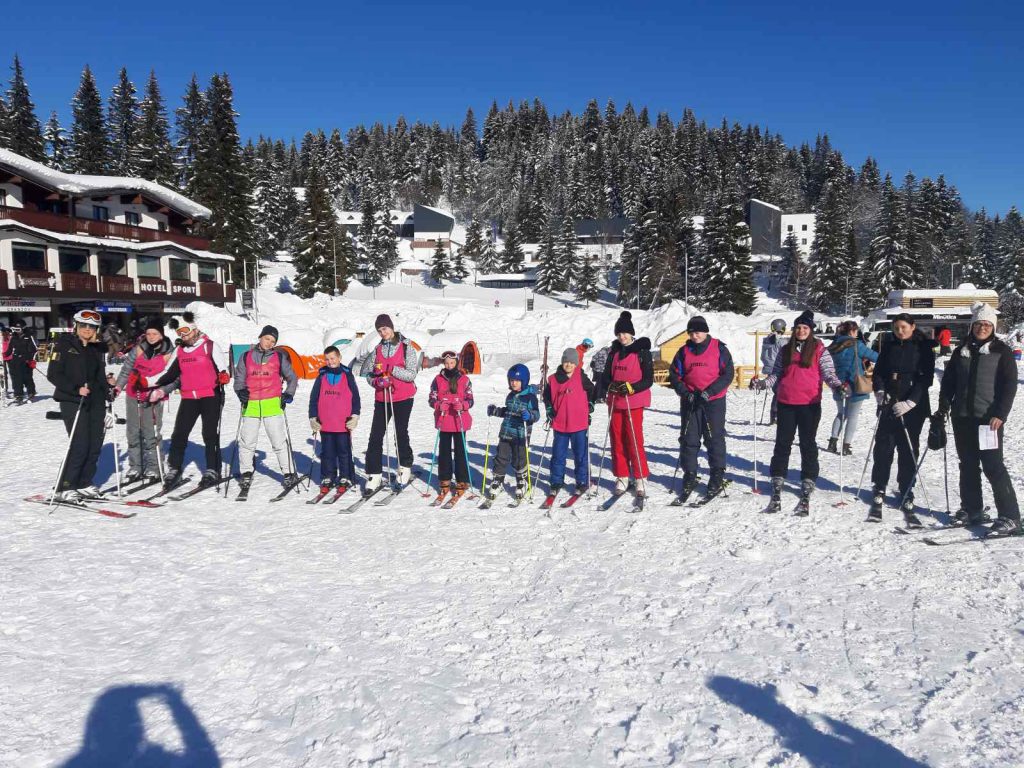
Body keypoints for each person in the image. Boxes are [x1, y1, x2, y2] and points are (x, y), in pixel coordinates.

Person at [752, 310, 846, 515]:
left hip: (809, 404)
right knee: (782, 443)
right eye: (798, 328)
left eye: (805, 328)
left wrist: (838, 386)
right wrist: (761, 384)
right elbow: (775, 374)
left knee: (807, 443)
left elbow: (828, 373)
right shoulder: (785, 349)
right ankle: (777, 476)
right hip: (786, 403)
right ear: (794, 330)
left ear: (810, 330)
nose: (801, 331)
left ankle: (809, 478)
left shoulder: (820, 350)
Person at [938, 302, 1019, 535]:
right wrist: (943, 408)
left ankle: (1010, 516)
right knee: (968, 466)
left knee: (993, 466)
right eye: (978, 324)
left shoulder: (1001, 351)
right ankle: (972, 509)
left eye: (986, 324)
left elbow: (1009, 386)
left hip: (988, 420)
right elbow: (949, 382)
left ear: (992, 327)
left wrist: (1000, 414)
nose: (982, 328)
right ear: (972, 326)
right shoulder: (960, 350)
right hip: (962, 418)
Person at [866, 313, 935, 524]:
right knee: (884, 447)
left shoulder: (923, 348)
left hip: (913, 405)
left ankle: (907, 488)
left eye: (904, 327)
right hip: (889, 402)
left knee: (908, 449)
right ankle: (879, 485)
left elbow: (927, 377)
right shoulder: (889, 345)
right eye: (896, 328)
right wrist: (879, 390)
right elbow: (878, 372)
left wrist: (911, 401)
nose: (900, 331)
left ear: (913, 327)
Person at [150, 312, 231, 490]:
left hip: (210, 396)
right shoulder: (179, 351)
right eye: (180, 334)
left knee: (209, 434)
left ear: (194, 329)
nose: (184, 336)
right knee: (179, 434)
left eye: (186, 332)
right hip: (189, 397)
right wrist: (148, 382)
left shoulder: (209, 346)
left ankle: (212, 469)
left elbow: (223, 369)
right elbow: (168, 374)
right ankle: (175, 469)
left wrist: (224, 375)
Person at [46, 310, 111, 500]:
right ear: (76, 326)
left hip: (95, 400)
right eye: (84, 326)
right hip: (72, 399)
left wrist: (108, 387)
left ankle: (84, 482)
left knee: (95, 444)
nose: (87, 330)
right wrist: (76, 389)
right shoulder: (63, 345)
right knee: (80, 444)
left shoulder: (96, 348)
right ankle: (65, 486)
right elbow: (54, 374)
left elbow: (98, 374)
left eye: (91, 327)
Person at [669, 316, 735, 503]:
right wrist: (685, 392)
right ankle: (690, 473)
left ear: (705, 331)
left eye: (698, 331)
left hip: (713, 400)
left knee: (714, 438)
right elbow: (674, 375)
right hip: (690, 400)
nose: (694, 335)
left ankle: (717, 473)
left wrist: (710, 391)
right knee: (689, 438)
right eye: (691, 332)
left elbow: (727, 374)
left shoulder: (719, 348)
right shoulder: (684, 351)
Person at [232, 325, 300, 491]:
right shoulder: (245, 356)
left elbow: (292, 377)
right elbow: (239, 379)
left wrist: (288, 394)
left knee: (278, 442)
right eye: (267, 338)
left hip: (272, 404)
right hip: (251, 405)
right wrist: (240, 391)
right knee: (247, 442)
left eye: (273, 341)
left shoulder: (279, 357)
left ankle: (289, 473)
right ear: (260, 337)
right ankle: (246, 472)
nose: (269, 343)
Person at [358, 314, 420, 495]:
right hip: (382, 397)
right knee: (375, 435)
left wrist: (392, 370)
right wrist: (376, 382)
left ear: (391, 327)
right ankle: (374, 473)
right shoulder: (377, 350)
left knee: (400, 433)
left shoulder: (406, 347)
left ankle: (405, 466)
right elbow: (367, 373)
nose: (383, 333)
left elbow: (411, 374)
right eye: (379, 330)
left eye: (385, 329)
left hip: (403, 397)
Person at [601, 311, 654, 501]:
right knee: (617, 438)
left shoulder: (642, 352)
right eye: (619, 334)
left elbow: (649, 379)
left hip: (634, 401)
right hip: (616, 400)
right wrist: (610, 385)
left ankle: (640, 477)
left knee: (633, 437)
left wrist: (632, 387)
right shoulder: (614, 352)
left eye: (625, 333)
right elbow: (606, 376)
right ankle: (622, 475)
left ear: (631, 333)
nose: (622, 337)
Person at [112, 317, 172, 482]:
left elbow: (171, 376)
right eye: (148, 333)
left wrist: (160, 390)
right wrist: (118, 387)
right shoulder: (138, 349)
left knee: (150, 432)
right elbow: (126, 370)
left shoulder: (169, 352)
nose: (151, 336)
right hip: (133, 394)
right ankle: (135, 467)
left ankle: (153, 467)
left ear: (161, 334)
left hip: (152, 397)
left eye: (154, 333)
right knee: (133, 431)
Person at [544, 348, 596, 500]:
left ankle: (582, 480)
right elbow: (547, 396)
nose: (569, 365)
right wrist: (549, 409)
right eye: (566, 362)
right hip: (560, 423)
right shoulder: (553, 379)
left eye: (572, 362)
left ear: (576, 364)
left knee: (580, 454)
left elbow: (592, 390)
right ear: (562, 362)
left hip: (579, 423)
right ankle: (556, 481)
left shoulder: (580, 376)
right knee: (558, 455)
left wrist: (590, 404)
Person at [309, 345, 361, 493]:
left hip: (342, 423)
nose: (330, 361)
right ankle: (328, 476)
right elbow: (314, 398)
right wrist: (313, 417)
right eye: (327, 359)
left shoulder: (347, 375)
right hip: (325, 423)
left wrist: (355, 415)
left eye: (333, 358)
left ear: (339, 358)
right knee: (327, 452)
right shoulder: (322, 375)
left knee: (344, 451)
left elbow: (355, 398)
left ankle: (346, 476)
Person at [485, 363, 540, 502]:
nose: (513, 383)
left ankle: (522, 481)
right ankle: (498, 480)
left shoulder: (530, 397)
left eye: (516, 380)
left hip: (520, 435)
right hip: (505, 432)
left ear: (524, 380)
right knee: (501, 457)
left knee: (519, 459)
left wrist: (529, 415)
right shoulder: (510, 395)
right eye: (511, 380)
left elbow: (536, 415)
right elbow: (507, 411)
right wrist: (496, 411)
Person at [428, 350, 474, 504]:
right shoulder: (438, 379)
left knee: (461, 452)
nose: (449, 366)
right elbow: (431, 398)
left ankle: (462, 480)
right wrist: (439, 405)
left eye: (452, 363)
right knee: (444, 452)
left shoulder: (465, 379)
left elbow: (470, 399)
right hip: (444, 419)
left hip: (459, 420)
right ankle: (445, 478)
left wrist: (463, 405)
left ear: (456, 363)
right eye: (446, 363)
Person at [826, 320, 878, 455]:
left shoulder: (833, 345)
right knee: (853, 415)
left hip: (838, 383)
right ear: (852, 331)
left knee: (841, 413)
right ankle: (846, 445)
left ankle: (832, 441)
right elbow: (875, 356)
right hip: (855, 383)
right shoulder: (856, 345)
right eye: (856, 331)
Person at [760, 319, 786, 425]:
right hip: (777, 369)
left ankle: (774, 415)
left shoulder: (766, 341)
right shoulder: (780, 341)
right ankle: (775, 415)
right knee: (779, 393)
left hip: (769, 368)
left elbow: (763, 356)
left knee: (777, 392)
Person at [7, 319, 38, 404]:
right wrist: (4, 355)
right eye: (15, 330)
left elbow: (35, 350)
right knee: (17, 379)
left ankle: (31, 392)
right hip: (16, 360)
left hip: (26, 360)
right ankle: (18, 395)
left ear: (23, 328)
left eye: (18, 329)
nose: (17, 332)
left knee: (27, 378)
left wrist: (31, 359)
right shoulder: (13, 337)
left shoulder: (29, 336)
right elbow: (9, 349)